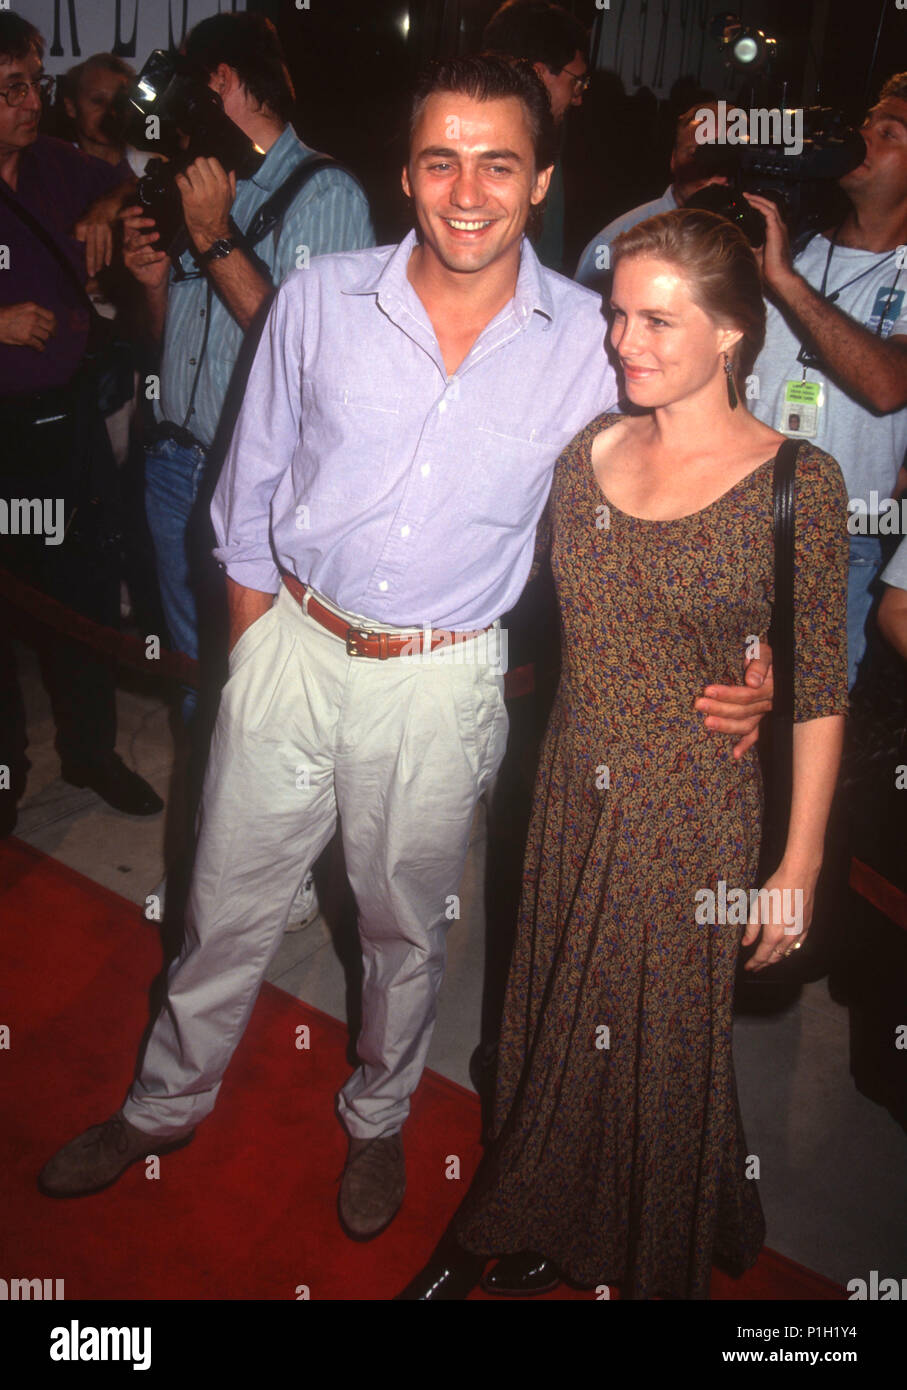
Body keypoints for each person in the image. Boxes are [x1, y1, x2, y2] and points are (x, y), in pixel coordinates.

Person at [39, 61, 773, 1246]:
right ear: (406, 171)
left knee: (403, 928)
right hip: (291, 642)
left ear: (540, 180)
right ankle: (163, 1103)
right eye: (442, 158)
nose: (466, 190)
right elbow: (250, 485)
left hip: (441, 681)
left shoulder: (593, 344)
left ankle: (377, 1118)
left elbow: (711, 468)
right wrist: (256, 648)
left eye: (497, 163)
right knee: (223, 903)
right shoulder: (317, 300)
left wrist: (755, 648)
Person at [400, 208, 848, 1301]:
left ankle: (569, 1238)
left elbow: (820, 686)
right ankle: (554, 1213)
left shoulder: (798, 481)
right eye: (615, 315)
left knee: (649, 1042)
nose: (623, 342)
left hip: (687, 809)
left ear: (732, 333)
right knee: (556, 1005)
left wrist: (793, 868)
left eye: (658, 320)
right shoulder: (586, 453)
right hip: (565, 781)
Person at [121, 11, 374, 713]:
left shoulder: (325, 193)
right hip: (171, 462)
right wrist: (148, 288)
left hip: (251, 475)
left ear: (220, 80)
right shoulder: (199, 182)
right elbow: (165, 339)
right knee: (192, 673)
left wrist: (213, 235)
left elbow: (308, 353)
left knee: (252, 685)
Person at [0, 13, 162, 838]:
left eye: (33, 83)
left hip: (61, 432)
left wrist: (106, 200)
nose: (35, 102)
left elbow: (138, 180)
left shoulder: (52, 167)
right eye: (12, 89)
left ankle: (90, 753)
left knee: (86, 597)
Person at [746, 72, 907, 690]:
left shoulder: (791, 268)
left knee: (804, 737)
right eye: (864, 123)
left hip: (836, 547)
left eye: (887, 132)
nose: (862, 138)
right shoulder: (801, 244)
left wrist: (784, 283)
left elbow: (888, 384)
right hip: (744, 522)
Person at [482, 0, 590, 273]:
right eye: (575, 82)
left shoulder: (547, 141)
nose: (577, 99)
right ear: (538, 74)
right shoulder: (530, 149)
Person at [574, 100, 727, 291]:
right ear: (673, 159)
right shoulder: (613, 245)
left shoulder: (758, 245)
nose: (712, 169)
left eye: (727, 156)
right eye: (698, 154)